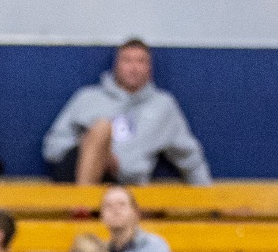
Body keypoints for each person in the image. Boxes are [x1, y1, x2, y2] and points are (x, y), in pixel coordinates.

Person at [42, 39, 210, 186]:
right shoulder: (87, 97)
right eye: (127, 60)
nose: (134, 68)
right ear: (116, 65)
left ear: (149, 68)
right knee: (102, 128)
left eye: (141, 61)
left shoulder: (163, 105)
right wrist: (96, 151)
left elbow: (190, 158)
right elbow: (53, 148)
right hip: (76, 177)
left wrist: (212, 204)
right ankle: (82, 208)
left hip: (127, 185)